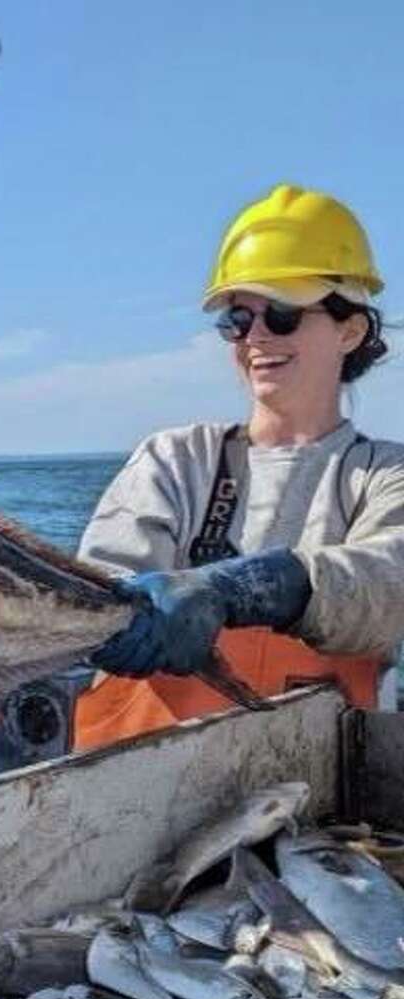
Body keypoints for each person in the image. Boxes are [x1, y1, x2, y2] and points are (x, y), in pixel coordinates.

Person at [74, 184, 404, 751]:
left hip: (319, 785)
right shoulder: (174, 460)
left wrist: (245, 589)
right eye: (238, 318)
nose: (256, 337)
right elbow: (95, 593)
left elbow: (388, 583)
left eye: (282, 314)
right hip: (138, 785)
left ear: (350, 330)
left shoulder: (384, 475)